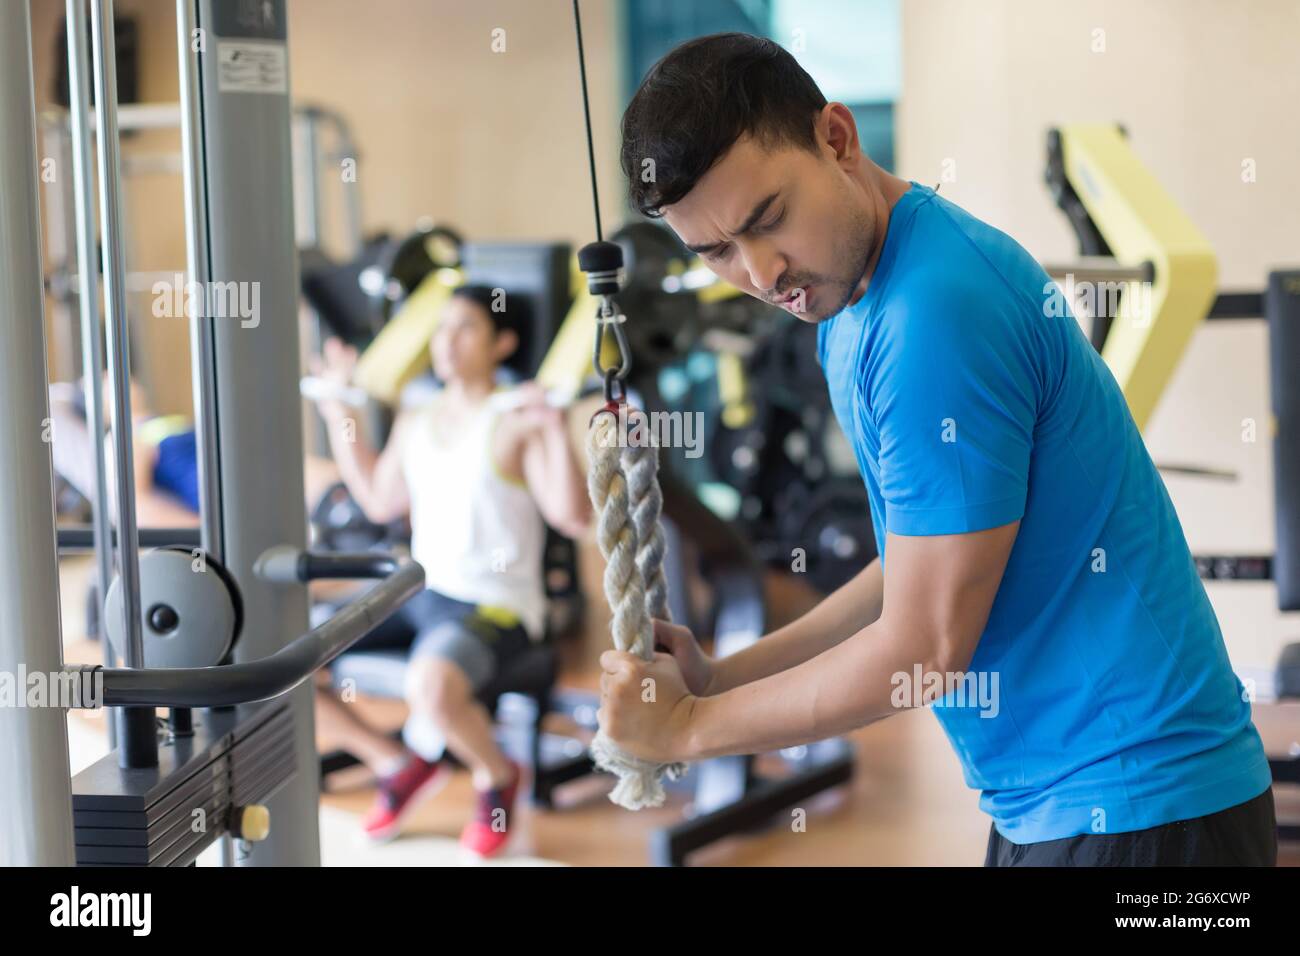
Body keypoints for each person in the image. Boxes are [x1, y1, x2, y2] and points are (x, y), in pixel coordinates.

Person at [596, 33, 1276, 866]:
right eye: (715, 253)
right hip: (1068, 801)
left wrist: (689, 731)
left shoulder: (934, 315)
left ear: (837, 138)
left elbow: (925, 646)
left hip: (1140, 812)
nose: (761, 271)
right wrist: (719, 681)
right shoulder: (852, 305)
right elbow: (911, 572)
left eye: (767, 219)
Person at [310, 284, 590, 856]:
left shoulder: (514, 419)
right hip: (419, 591)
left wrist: (553, 428)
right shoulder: (418, 416)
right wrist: (338, 409)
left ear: (502, 343)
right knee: (282, 654)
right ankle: (395, 762)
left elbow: (573, 516)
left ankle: (496, 774)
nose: (446, 341)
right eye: (442, 328)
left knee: (429, 685)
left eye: (465, 329)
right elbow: (379, 501)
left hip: (495, 603)